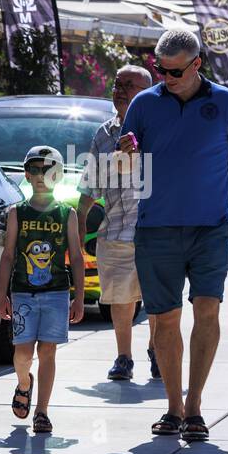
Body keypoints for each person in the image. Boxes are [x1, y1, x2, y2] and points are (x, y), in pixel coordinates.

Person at [118, 29, 228, 442]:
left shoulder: (225, 103)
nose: (165, 76)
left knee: (207, 308)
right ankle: (173, 407)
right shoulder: (143, 104)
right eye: (159, 68)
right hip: (156, 228)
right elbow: (122, 170)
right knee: (165, 319)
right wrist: (124, 157)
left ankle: (194, 408)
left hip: (209, 227)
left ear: (196, 65)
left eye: (173, 70)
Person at [0, 146, 86, 435]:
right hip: (23, 293)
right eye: (34, 170)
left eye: (47, 170)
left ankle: (42, 412)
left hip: (57, 293)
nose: (40, 176)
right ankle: (24, 383)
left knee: (48, 351)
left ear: (58, 175)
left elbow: (75, 256)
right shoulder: (17, 213)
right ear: (26, 174)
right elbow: (8, 255)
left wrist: (79, 297)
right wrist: (2, 296)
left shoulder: (66, 214)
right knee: (23, 355)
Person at [78, 65, 157, 382]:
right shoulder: (105, 133)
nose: (120, 89)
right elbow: (90, 184)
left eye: (129, 84)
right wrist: (81, 219)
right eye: (117, 83)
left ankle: (157, 350)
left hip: (156, 229)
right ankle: (124, 357)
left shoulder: (159, 127)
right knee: (121, 298)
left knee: (156, 298)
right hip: (116, 229)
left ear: (148, 91)